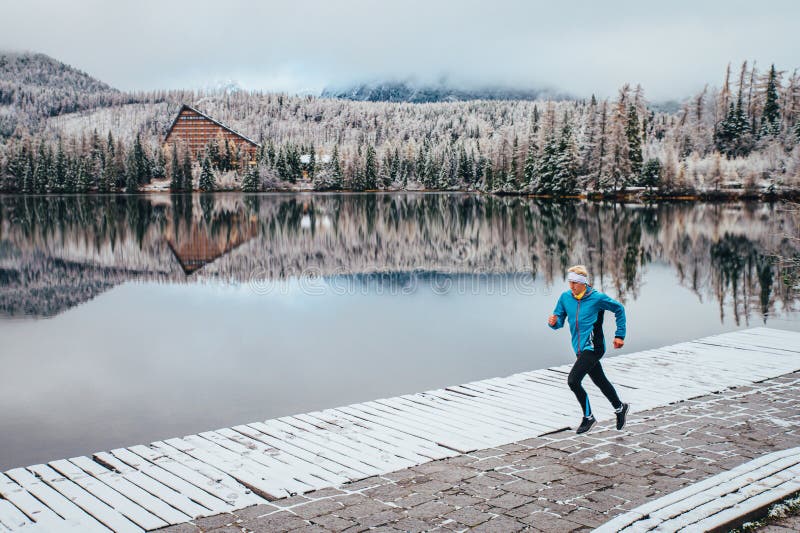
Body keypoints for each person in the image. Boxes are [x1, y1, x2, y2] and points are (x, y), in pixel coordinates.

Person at [547, 265, 629, 434]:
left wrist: (620, 335)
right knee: (600, 381)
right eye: (570, 282)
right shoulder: (565, 298)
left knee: (573, 381)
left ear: (584, 283)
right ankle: (620, 408)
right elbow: (559, 320)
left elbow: (619, 309)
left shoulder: (596, 298)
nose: (572, 286)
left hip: (594, 347)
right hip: (579, 348)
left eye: (575, 283)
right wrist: (553, 322)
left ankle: (588, 417)